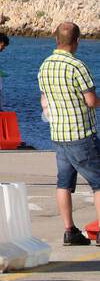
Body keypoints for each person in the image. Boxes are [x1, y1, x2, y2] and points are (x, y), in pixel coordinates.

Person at [37, 22, 100, 247]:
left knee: (63, 183)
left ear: (56, 40)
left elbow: (44, 100)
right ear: (77, 41)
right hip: (81, 132)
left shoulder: (45, 66)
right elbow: (91, 101)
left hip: (59, 134)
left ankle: (69, 230)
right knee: (98, 182)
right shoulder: (77, 66)